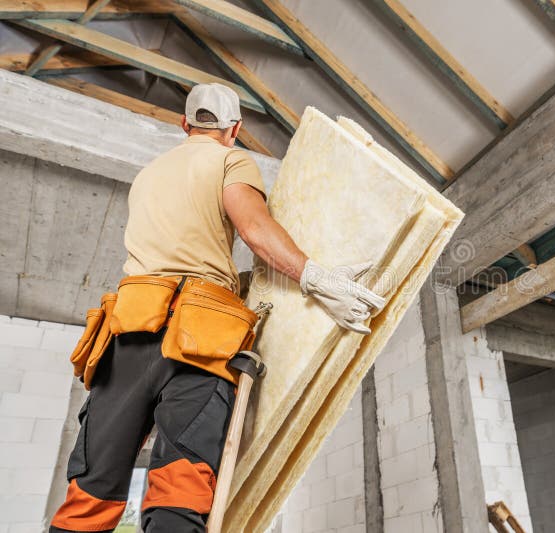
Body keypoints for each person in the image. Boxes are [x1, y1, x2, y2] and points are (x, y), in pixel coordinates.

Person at [49, 83, 385, 533]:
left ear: (185, 124)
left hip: (128, 331)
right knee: (179, 491)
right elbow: (253, 227)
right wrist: (314, 277)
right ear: (235, 129)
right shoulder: (231, 159)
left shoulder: (148, 174)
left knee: (91, 490)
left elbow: (179, 249)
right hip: (199, 338)